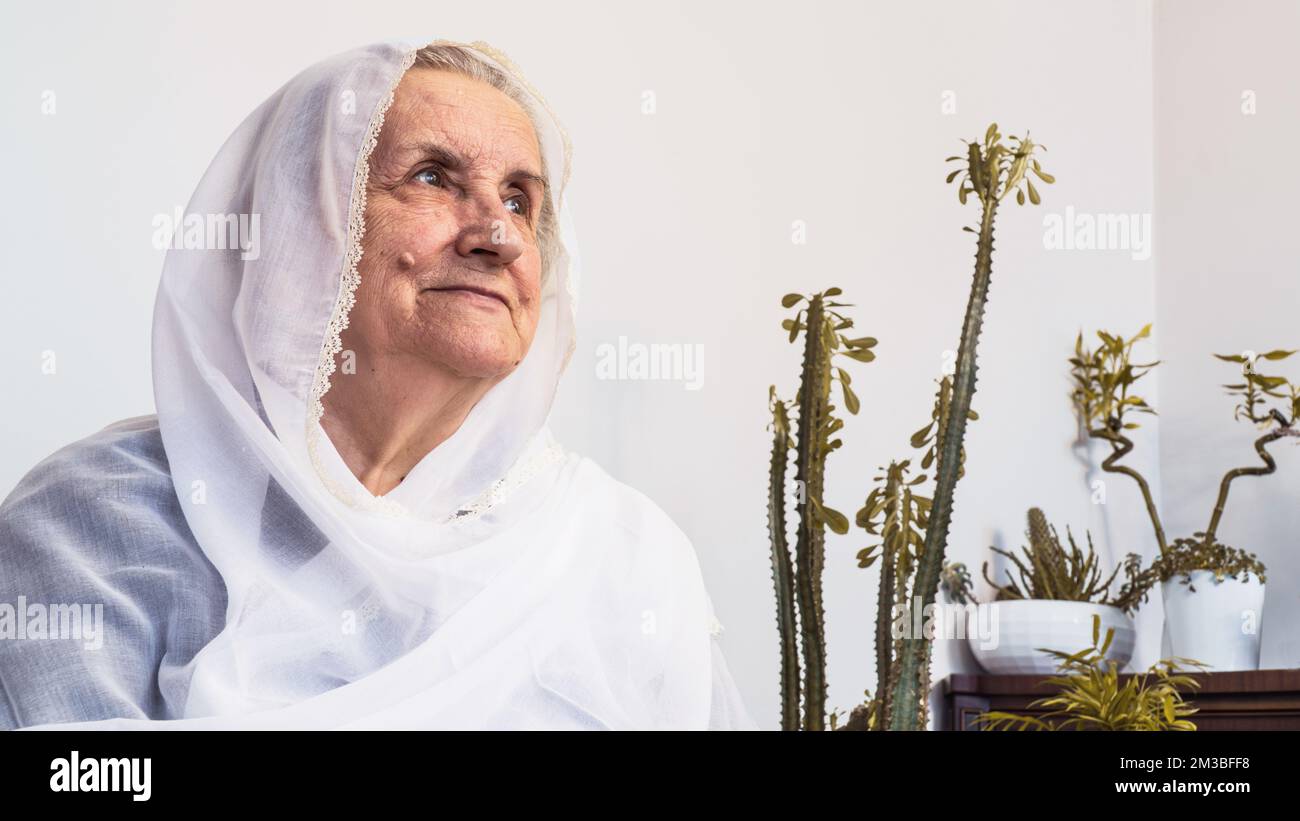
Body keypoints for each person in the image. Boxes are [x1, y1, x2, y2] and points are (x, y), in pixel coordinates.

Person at [0, 39, 758, 730]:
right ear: (303, 223)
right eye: (433, 177)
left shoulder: (618, 555)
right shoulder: (96, 521)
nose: (497, 235)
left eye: (519, 200)